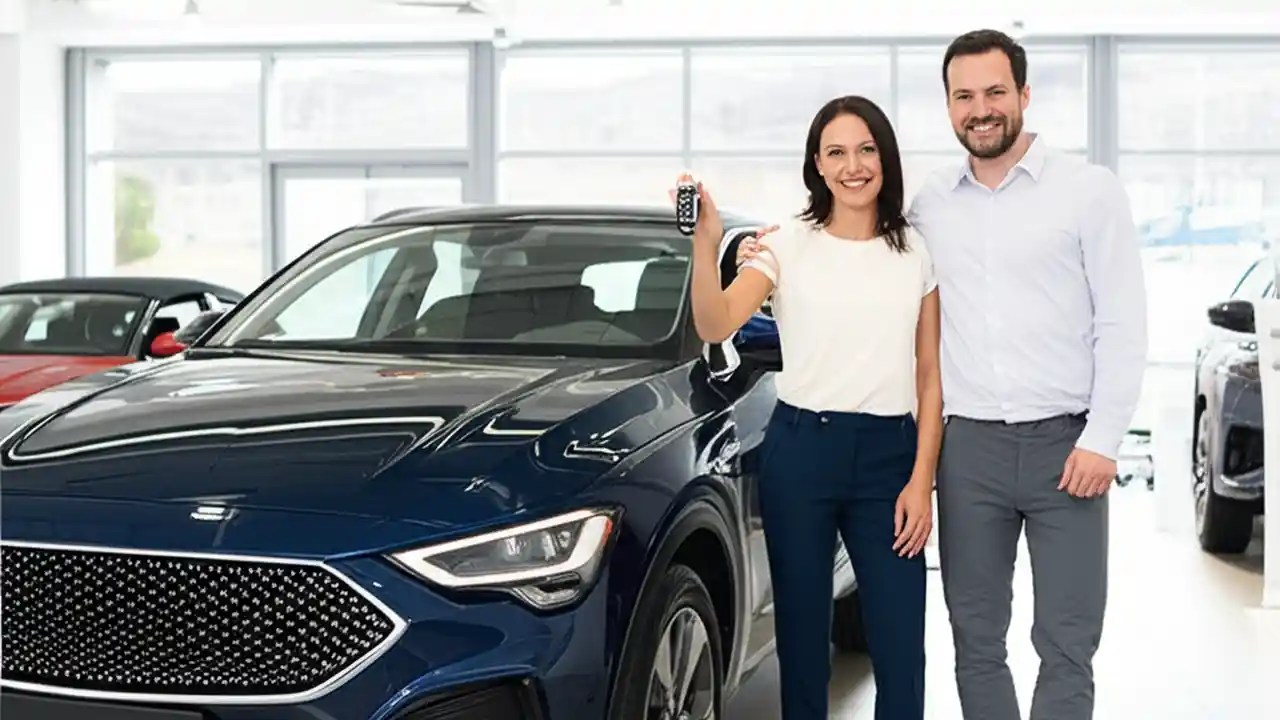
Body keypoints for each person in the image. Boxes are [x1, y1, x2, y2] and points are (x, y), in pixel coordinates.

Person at [738, 27, 1147, 720]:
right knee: (975, 641)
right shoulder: (928, 207)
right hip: (969, 453)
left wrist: (1104, 435)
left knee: (1067, 642)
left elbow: (1123, 319)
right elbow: (857, 256)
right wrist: (763, 245)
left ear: (1023, 93)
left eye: (994, 92)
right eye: (964, 96)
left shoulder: (1089, 191)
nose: (980, 108)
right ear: (949, 105)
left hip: (1066, 446)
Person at [675, 94, 942, 720]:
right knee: (801, 648)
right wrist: (706, 243)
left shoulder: (915, 252)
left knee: (902, 649)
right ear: (817, 166)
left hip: (890, 460)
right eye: (837, 152)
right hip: (802, 454)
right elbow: (716, 322)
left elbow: (930, 376)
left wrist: (921, 478)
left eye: (866, 149)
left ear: (885, 157)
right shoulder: (787, 244)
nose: (854, 166)